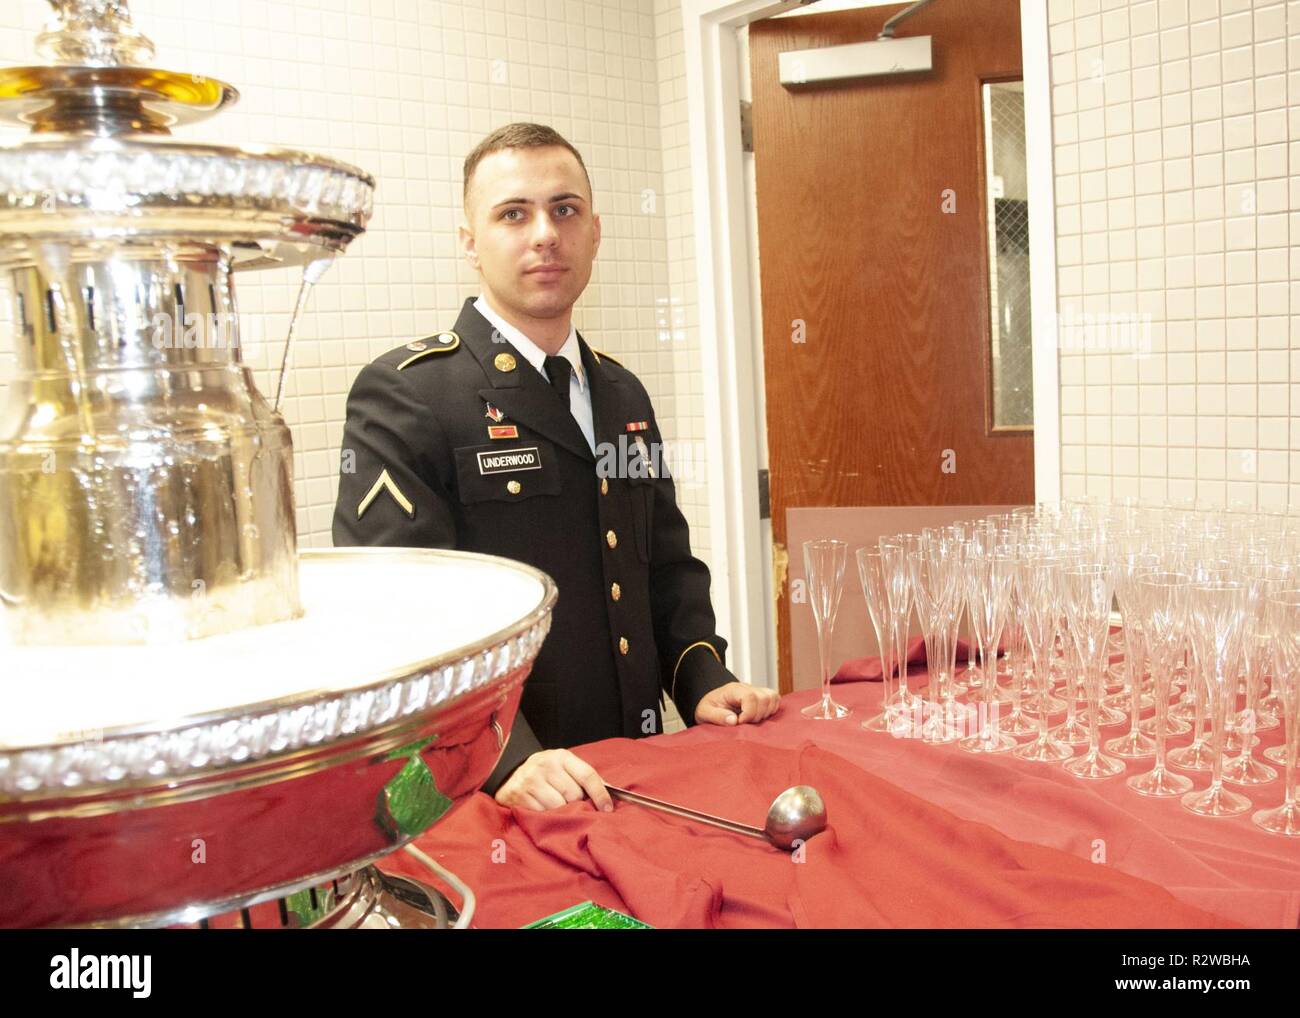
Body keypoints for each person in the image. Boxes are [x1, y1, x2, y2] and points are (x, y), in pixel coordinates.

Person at [332, 122, 779, 812]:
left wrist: (702, 678)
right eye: (514, 213)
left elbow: (663, 564)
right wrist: (506, 757)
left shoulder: (620, 392)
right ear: (470, 243)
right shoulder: (411, 393)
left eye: (564, 210)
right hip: (497, 790)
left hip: (636, 771)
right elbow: (397, 617)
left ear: (594, 232)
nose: (545, 233)